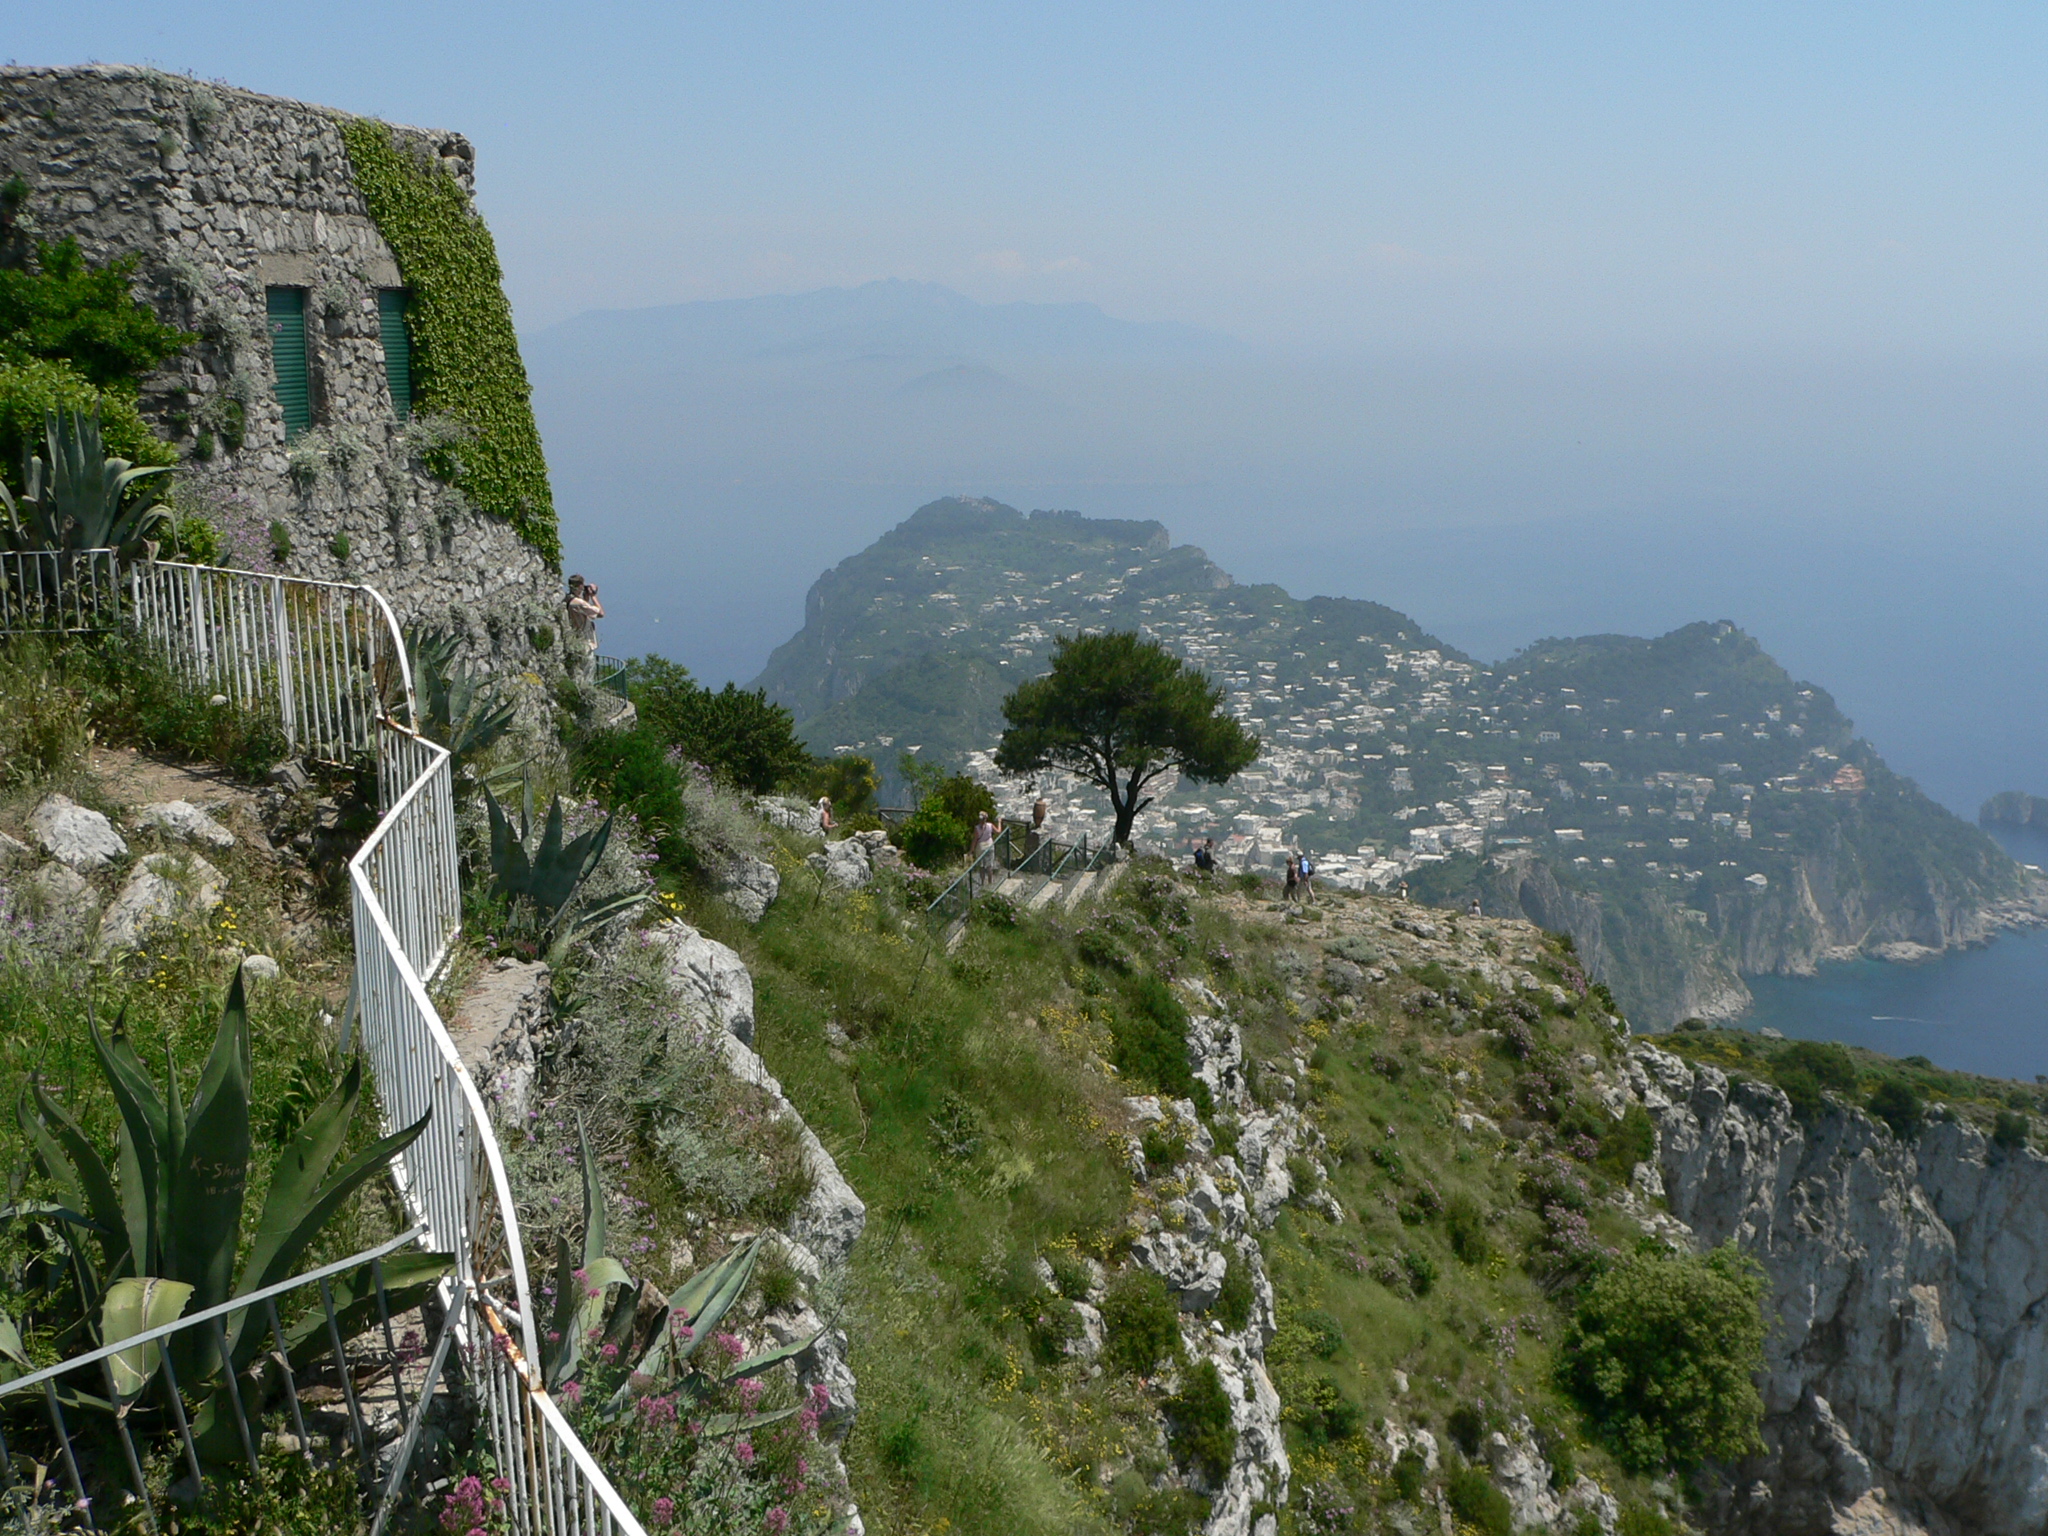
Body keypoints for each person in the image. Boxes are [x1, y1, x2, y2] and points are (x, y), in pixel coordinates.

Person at [565, 575, 604, 677]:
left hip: (576, 640)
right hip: (585, 642)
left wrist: (586, 597)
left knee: (579, 673)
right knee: (587, 675)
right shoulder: (578, 603)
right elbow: (600, 613)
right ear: (580, 586)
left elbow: (584, 611)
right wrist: (593, 596)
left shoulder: (568, 599)